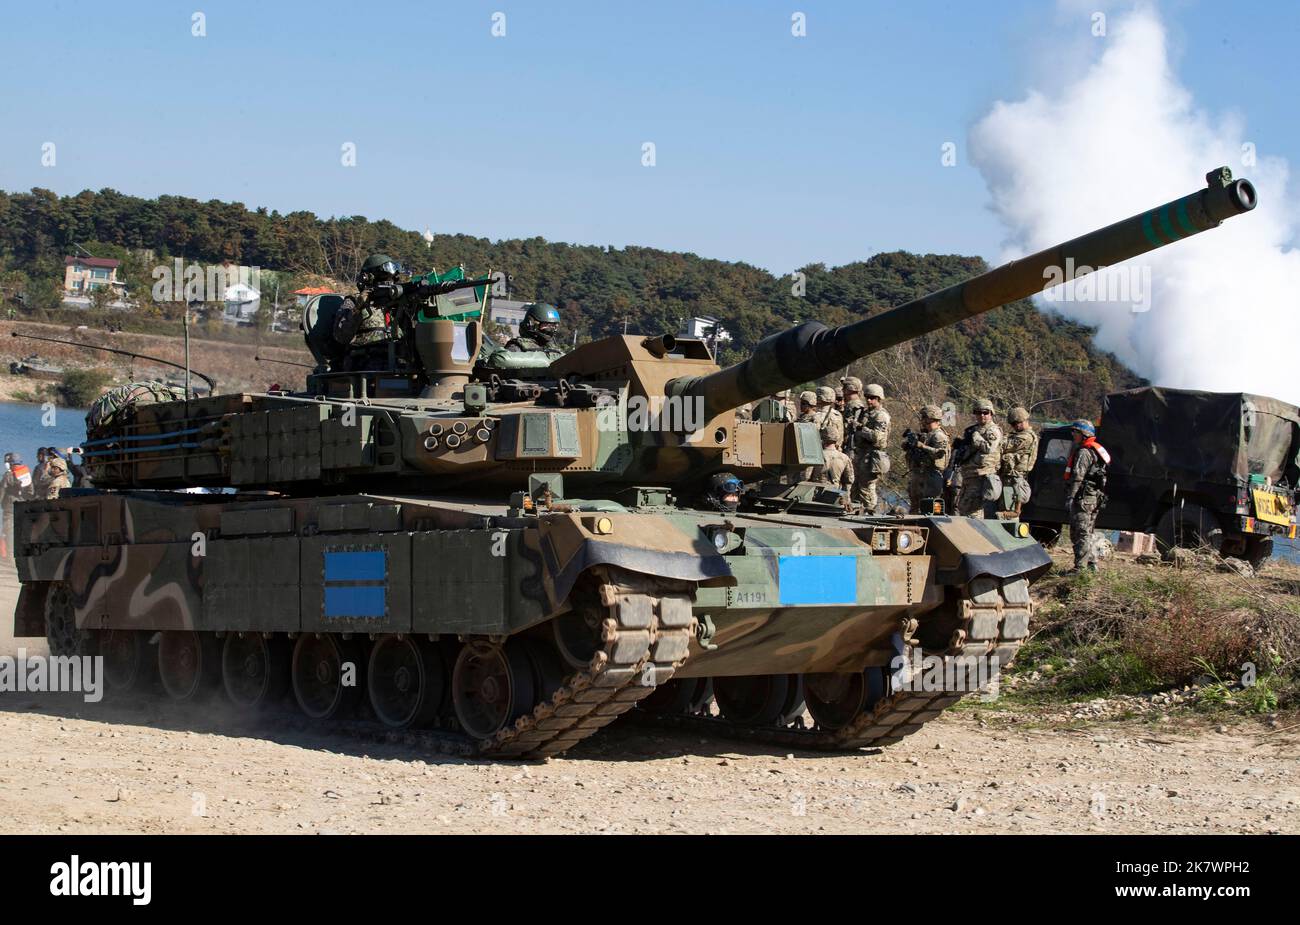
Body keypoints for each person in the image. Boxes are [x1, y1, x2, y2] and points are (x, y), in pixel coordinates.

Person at [334, 253, 405, 370]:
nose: (388, 284)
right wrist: (358, 307)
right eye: (383, 280)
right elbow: (341, 336)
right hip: (366, 364)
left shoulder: (400, 302)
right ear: (367, 278)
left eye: (391, 280)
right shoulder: (353, 302)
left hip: (398, 361)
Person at [1065, 419, 1110, 572]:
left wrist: (1071, 497)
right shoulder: (1096, 450)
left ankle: (1080, 568)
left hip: (1083, 498)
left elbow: (1078, 476)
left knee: (1079, 533)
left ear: (1083, 434)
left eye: (1075, 431)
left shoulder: (1084, 452)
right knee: (1088, 531)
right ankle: (1091, 564)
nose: (1073, 434)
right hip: (1094, 498)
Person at [955, 398, 1003, 518]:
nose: (982, 415)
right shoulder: (973, 429)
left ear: (991, 413)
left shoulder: (993, 430)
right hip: (969, 475)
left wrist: (976, 437)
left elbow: (989, 448)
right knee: (963, 507)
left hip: (981, 475)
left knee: (972, 510)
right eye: (978, 412)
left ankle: (972, 535)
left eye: (985, 412)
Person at [851, 383, 891, 513]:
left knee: (867, 488)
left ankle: (870, 513)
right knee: (855, 487)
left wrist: (861, 428)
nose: (869, 400)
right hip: (861, 454)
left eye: (872, 398)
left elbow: (877, 437)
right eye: (867, 397)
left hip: (872, 457)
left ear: (879, 398)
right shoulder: (865, 413)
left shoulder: (881, 416)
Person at [903, 405, 951, 512]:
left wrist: (922, 446)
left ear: (932, 418)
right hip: (919, 474)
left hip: (932, 475)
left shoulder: (939, 436)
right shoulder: (925, 434)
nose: (922, 420)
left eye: (925, 417)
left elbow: (939, 453)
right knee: (915, 507)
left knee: (931, 507)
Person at [998, 406, 1039, 517]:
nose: (1015, 426)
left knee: (1007, 511)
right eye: (1012, 424)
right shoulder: (1018, 435)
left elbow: (1003, 446)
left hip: (1014, 478)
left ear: (1023, 420)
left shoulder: (1026, 437)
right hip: (1009, 477)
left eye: (1016, 423)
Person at [812, 386, 850, 490]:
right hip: (836, 453)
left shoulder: (816, 416)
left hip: (818, 454)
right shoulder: (837, 415)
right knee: (835, 483)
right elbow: (840, 436)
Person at [1, 453, 34, 557]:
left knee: (9, 529)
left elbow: (2, 490)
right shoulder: (26, 474)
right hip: (23, 505)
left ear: (10, 463)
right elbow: (31, 492)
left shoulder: (8, 475)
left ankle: (11, 554)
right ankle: (23, 553)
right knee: (22, 529)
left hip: (10, 505)